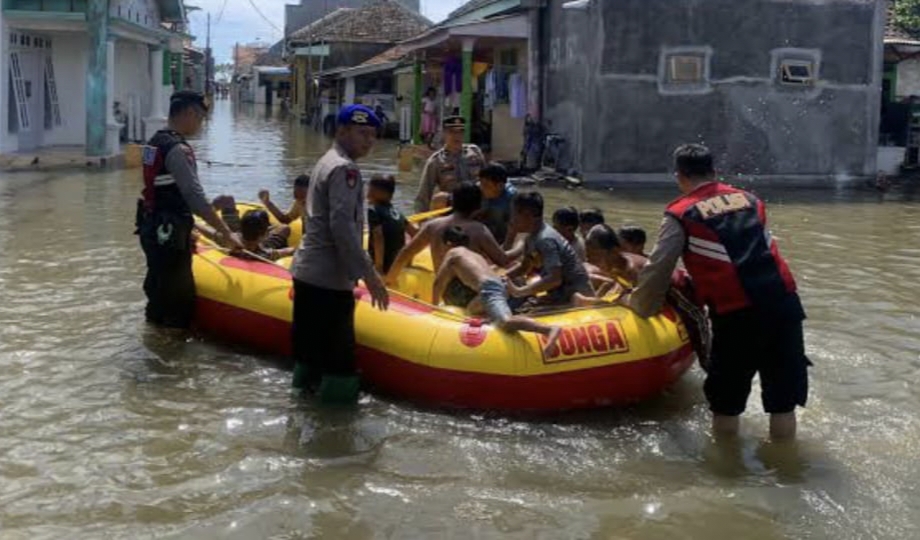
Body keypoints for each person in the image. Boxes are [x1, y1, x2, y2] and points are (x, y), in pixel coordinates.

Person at [624, 144, 808, 440]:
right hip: (785, 307)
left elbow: (658, 269)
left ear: (679, 177)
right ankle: (786, 471)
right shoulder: (750, 200)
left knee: (726, 405)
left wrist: (638, 306)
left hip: (738, 316)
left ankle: (727, 474)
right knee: (783, 403)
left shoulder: (680, 213)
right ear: (714, 171)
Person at [290, 105, 390, 402]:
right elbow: (342, 227)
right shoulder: (345, 169)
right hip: (328, 279)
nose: (369, 140)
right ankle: (337, 435)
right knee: (340, 364)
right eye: (362, 133)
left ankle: (302, 420)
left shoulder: (325, 161)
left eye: (373, 135)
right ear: (341, 131)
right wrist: (370, 275)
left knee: (309, 354)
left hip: (308, 273)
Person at [136, 90, 243, 329]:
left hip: (151, 229)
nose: (201, 124)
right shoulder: (178, 149)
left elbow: (160, 191)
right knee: (179, 303)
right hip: (170, 236)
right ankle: (173, 362)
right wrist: (226, 234)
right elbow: (194, 198)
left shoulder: (153, 143)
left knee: (157, 293)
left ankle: (154, 350)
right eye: (201, 118)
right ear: (189, 113)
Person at [434, 227, 562, 356]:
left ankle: (548, 329)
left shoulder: (452, 253)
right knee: (471, 310)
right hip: (493, 286)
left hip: (490, 289)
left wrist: (432, 308)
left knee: (506, 321)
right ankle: (491, 318)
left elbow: (438, 282)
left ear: (448, 243)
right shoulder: (474, 255)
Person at [387, 182, 513, 307]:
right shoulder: (479, 230)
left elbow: (406, 252)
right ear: (479, 206)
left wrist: (389, 281)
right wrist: (517, 241)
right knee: (508, 282)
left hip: (446, 294)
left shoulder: (433, 226)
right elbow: (503, 261)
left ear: (452, 202)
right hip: (469, 295)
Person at [505, 192, 594, 308]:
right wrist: (502, 278)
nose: (511, 219)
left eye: (514, 214)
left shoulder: (545, 239)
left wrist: (519, 291)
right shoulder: (531, 237)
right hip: (560, 293)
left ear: (527, 215)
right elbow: (524, 267)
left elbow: (554, 279)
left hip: (577, 294)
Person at [414, 116, 486, 213]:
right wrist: (420, 222)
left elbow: (487, 181)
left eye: (460, 131)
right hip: (452, 210)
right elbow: (424, 195)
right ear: (444, 133)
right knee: (440, 198)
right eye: (452, 132)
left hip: (477, 208)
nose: (457, 136)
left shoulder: (475, 152)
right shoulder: (436, 161)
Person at [574, 224, 648, 305]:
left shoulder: (633, 270)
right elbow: (623, 289)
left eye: (596, 258)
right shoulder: (615, 266)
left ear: (614, 252)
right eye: (589, 259)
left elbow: (642, 301)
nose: (594, 265)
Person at [367, 174, 417, 274]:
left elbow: (378, 236)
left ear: (376, 192)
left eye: (369, 189)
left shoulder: (373, 211)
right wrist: (409, 259)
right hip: (398, 265)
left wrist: (379, 267)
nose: (367, 193)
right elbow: (416, 234)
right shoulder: (398, 212)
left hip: (385, 266)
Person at [477, 162, 517, 245]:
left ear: (500, 186)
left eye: (486, 185)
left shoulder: (512, 198)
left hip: (503, 237)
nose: (481, 188)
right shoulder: (476, 191)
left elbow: (515, 227)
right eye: (480, 183)